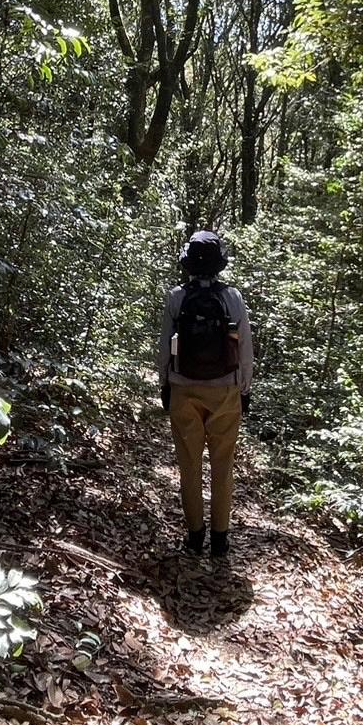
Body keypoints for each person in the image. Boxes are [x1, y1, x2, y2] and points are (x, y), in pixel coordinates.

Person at [158, 229, 253, 558]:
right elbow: (244, 349)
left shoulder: (176, 297)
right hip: (225, 390)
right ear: (218, 264)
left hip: (184, 389)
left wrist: (165, 385)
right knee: (223, 466)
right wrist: (244, 389)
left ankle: (195, 534)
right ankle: (221, 538)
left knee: (189, 464)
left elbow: (164, 349)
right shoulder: (233, 298)